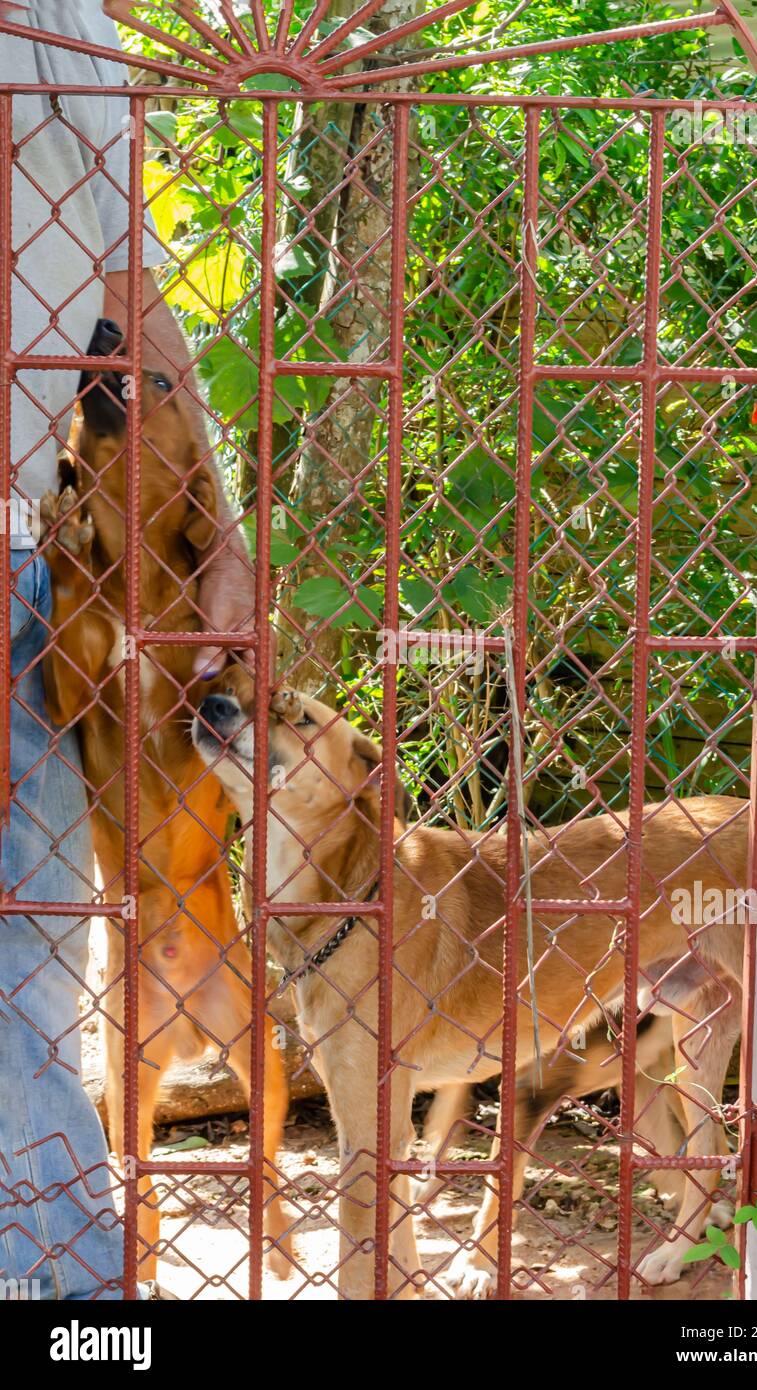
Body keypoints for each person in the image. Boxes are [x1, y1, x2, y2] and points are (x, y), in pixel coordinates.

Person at [0, 1, 253, 1299]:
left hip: (22, 555)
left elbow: (124, 288)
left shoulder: (59, 22)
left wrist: (217, 531)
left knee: (32, 959)